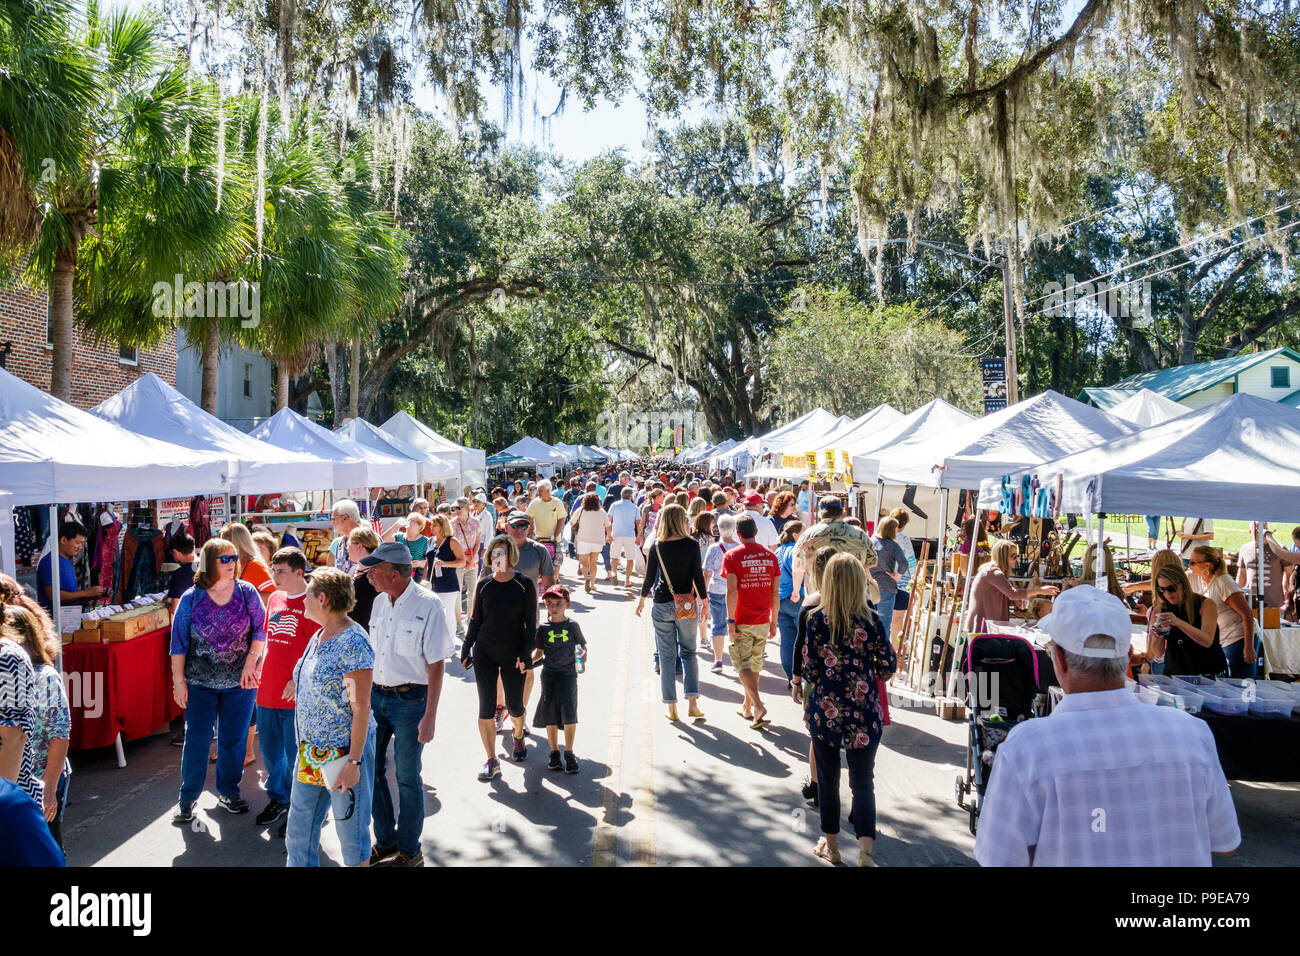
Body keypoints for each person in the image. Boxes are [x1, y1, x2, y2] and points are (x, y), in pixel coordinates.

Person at [974, 586, 1239, 866]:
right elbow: (1224, 843)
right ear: (1127, 656)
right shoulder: (1192, 733)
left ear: (1059, 659)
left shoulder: (1027, 748)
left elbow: (1000, 858)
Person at [794, 553, 896, 866]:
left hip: (826, 709)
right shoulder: (872, 620)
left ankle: (832, 845)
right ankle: (866, 853)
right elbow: (888, 666)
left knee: (828, 779)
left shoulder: (816, 620)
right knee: (863, 780)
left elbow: (809, 669)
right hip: (864, 710)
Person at [361, 541, 455, 867]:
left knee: (407, 777)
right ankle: (386, 841)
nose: (369, 574)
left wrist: (430, 716)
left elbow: (437, 664)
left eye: (375, 569)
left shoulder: (428, 605)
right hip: (377, 696)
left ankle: (410, 850)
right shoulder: (378, 602)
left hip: (411, 700)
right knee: (370, 771)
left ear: (396, 574)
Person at [284, 567, 377, 867]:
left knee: (351, 839)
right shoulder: (320, 635)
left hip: (342, 755)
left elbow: (361, 707)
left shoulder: (352, 643)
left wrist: (353, 762)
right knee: (298, 834)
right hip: (311, 751)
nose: (303, 601)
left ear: (322, 598)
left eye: (308, 594)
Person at [170, 538, 267, 822]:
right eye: (224, 559)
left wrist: (252, 660)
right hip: (199, 682)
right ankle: (187, 799)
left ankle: (228, 791)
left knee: (233, 740)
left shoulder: (247, 592)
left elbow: (261, 630)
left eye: (234, 558)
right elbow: (178, 643)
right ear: (209, 561)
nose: (231, 563)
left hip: (240, 683)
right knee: (197, 740)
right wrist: (179, 682)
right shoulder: (191, 597)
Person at [463, 536, 537, 778]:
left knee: (515, 707)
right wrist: (466, 647)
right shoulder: (483, 584)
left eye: (502, 553)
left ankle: (517, 736)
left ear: (511, 556)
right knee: (485, 709)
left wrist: (526, 654)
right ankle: (491, 760)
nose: (497, 558)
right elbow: (475, 619)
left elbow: (530, 623)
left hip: (513, 655)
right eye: (494, 554)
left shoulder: (524, 584)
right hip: (485, 652)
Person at [255, 547, 316, 834]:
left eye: (280, 571)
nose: (274, 576)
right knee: (270, 752)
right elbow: (268, 639)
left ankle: (299, 807)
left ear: (298, 572)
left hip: (296, 695)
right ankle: (279, 798)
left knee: (296, 755)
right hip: (267, 690)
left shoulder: (314, 601)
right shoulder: (275, 598)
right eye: (274, 569)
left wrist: (298, 678)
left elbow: (318, 647)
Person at [2, 606, 69, 849]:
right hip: (23, 782)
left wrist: (49, 789)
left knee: (46, 846)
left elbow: (60, 735)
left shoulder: (45, 676)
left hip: (40, 780)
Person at [638, 504, 708, 723]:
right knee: (689, 653)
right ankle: (693, 703)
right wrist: (704, 602)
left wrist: (641, 600)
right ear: (682, 520)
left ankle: (672, 707)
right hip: (686, 603)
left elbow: (649, 577)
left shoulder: (658, 545)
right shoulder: (692, 544)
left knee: (667, 657)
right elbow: (697, 576)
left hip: (661, 604)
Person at [723, 516, 781, 729]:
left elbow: (731, 591)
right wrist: (774, 620)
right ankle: (747, 708)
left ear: (738, 534)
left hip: (742, 619)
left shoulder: (732, 556)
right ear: (756, 531)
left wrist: (730, 621)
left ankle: (758, 704)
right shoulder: (771, 556)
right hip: (762, 619)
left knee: (742, 664)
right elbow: (775, 592)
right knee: (754, 665)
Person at [791, 546, 838, 809]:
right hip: (854, 684)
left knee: (818, 737)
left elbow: (800, 646)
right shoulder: (861, 603)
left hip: (817, 680)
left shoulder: (811, 604)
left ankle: (818, 785)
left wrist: (796, 681)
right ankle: (858, 800)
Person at [525, 585, 586, 774]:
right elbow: (539, 652)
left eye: (558, 603)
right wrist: (527, 661)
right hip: (549, 674)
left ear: (567, 605)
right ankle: (554, 752)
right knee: (550, 713)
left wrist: (582, 654)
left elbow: (582, 647)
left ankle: (569, 752)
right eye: (550, 603)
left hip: (568, 674)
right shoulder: (543, 628)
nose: (554, 607)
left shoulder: (572, 626)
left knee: (569, 713)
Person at [960, 540, 1059, 635]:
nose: (1016, 559)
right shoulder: (993, 573)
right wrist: (1040, 590)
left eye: (1017, 556)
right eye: (1013, 556)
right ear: (1003, 557)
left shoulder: (994, 572)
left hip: (986, 627)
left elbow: (997, 596)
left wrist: (1013, 602)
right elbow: (1013, 593)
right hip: (981, 628)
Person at [1147, 561, 1225, 677]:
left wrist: (1178, 622)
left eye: (1171, 588)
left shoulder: (1206, 604)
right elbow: (1158, 652)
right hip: (1175, 675)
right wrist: (1157, 635)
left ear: (1183, 584)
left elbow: (1207, 640)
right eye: (1162, 590)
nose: (1167, 594)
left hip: (1207, 674)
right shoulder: (1160, 608)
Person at [1188, 546, 1257, 678]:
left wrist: (1248, 647)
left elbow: (1247, 614)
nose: (1189, 565)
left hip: (1238, 638)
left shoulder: (1224, 582)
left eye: (1192, 562)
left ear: (1207, 565)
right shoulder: (1199, 579)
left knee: (1241, 684)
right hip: (1223, 640)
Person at [702, 515, 741, 675]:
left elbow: (707, 572)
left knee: (718, 625)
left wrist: (704, 595)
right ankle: (738, 660)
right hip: (737, 592)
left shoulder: (714, 548)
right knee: (737, 625)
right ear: (734, 529)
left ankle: (718, 660)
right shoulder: (740, 548)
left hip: (717, 590)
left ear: (719, 528)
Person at [37, 520, 104, 612]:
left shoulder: (67, 561)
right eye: (77, 543)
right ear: (63, 540)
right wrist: (87, 593)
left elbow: (71, 593)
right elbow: (53, 596)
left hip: (69, 618)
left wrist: (90, 595)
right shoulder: (49, 563)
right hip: (56, 620)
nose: (80, 547)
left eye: (82, 543)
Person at [1237, 523, 1300, 610]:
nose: (1295, 546)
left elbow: (1281, 555)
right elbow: (1241, 574)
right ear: (1250, 531)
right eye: (1256, 528)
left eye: (1263, 527)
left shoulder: (1281, 548)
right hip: (1251, 602)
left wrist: (1287, 592)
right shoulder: (1244, 548)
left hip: (1274, 603)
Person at [425, 513, 467, 641]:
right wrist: (424, 578)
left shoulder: (452, 541)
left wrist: (445, 564)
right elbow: (428, 562)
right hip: (431, 584)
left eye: (434, 525)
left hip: (448, 585)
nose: (431, 527)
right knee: (434, 615)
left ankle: (449, 644)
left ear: (442, 527)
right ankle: (438, 642)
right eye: (431, 524)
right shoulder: (430, 540)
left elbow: (462, 562)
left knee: (447, 614)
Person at [869, 516, 908, 642]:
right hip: (887, 587)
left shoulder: (870, 542)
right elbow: (904, 563)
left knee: (868, 624)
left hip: (869, 586)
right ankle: (881, 655)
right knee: (884, 625)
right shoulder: (893, 546)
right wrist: (897, 575)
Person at [775, 521, 805, 684]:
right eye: (803, 531)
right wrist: (795, 591)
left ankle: (789, 677)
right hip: (796, 598)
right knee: (801, 640)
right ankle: (799, 678)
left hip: (780, 599)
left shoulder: (778, 551)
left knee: (787, 641)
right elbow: (798, 568)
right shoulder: (796, 550)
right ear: (795, 534)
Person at [222, 522, 276, 605]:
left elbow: (274, 596)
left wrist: (245, 598)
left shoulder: (254, 566)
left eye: (227, 543)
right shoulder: (233, 564)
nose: (222, 548)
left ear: (239, 543)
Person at [451, 497, 482, 635]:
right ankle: (458, 623)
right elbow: (450, 544)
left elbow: (477, 542)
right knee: (456, 593)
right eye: (455, 508)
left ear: (466, 508)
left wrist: (473, 557)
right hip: (458, 560)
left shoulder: (475, 522)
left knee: (473, 591)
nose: (456, 510)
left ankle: (469, 618)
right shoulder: (452, 523)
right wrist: (463, 557)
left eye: (459, 508)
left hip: (472, 561)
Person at [572, 492, 612, 594]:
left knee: (584, 563)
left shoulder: (580, 511)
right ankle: (593, 584)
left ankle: (587, 579)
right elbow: (608, 525)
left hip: (583, 539)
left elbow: (571, 523)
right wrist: (609, 536)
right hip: (597, 540)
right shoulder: (602, 512)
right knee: (593, 562)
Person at [608, 486, 645, 587]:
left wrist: (608, 534)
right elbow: (639, 524)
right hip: (630, 535)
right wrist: (639, 536)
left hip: (616, 533)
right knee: (630, 559)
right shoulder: (635, 508)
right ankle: (627, 580)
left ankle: (614, 572)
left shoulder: (614, 505)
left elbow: (608, 520)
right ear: (631, 496)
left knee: (614, 557)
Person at [346, 527, 381, 630]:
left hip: (371, 634)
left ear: (360, 546)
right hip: (352, 633)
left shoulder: (378, 573)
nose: (347, 548)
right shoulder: (353, 570)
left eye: (348, 544)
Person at [383, 513, 430, 584]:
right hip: (399, 573)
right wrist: (395, 526)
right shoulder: (398, 536)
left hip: (417, 575)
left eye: (412, 520)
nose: (408, 521)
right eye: (408, 519)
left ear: (419, 525)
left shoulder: (425, 541)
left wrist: (419, 563)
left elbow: (430, 562)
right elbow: (383, 539)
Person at [165, 531, 197, 617]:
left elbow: (175, 609)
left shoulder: (179, 574)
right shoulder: (206, 566)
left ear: (176, 552)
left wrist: (167, 604)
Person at [327, 500, 363, 573]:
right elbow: (330, 568)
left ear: (345, 518)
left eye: (334, 519)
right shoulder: (337, 543)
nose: (332, 522)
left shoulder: (369, 539)